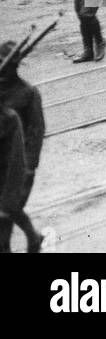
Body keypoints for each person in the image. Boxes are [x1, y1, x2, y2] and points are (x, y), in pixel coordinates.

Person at [0, 40, 45, 253]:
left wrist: (29, 167)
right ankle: (32, 238)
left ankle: (28, 239)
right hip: (2, 161)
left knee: (8, 211)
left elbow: (36, 133)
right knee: (6, 213)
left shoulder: (28, 93)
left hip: (19, 164)